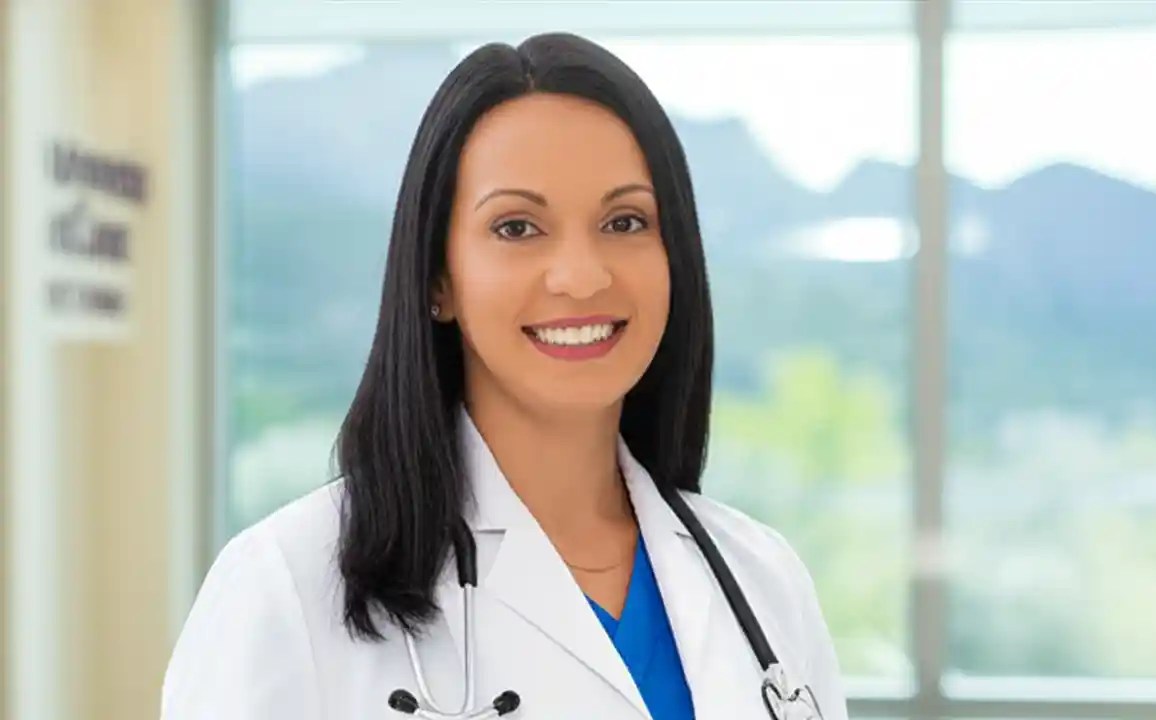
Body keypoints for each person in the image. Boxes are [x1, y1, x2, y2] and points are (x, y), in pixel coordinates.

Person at [161, 32, 847, 720]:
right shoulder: (285, 588)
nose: (581, 276)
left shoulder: (763, 581)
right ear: (438, 278)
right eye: (517, 227)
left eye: (625, 221)